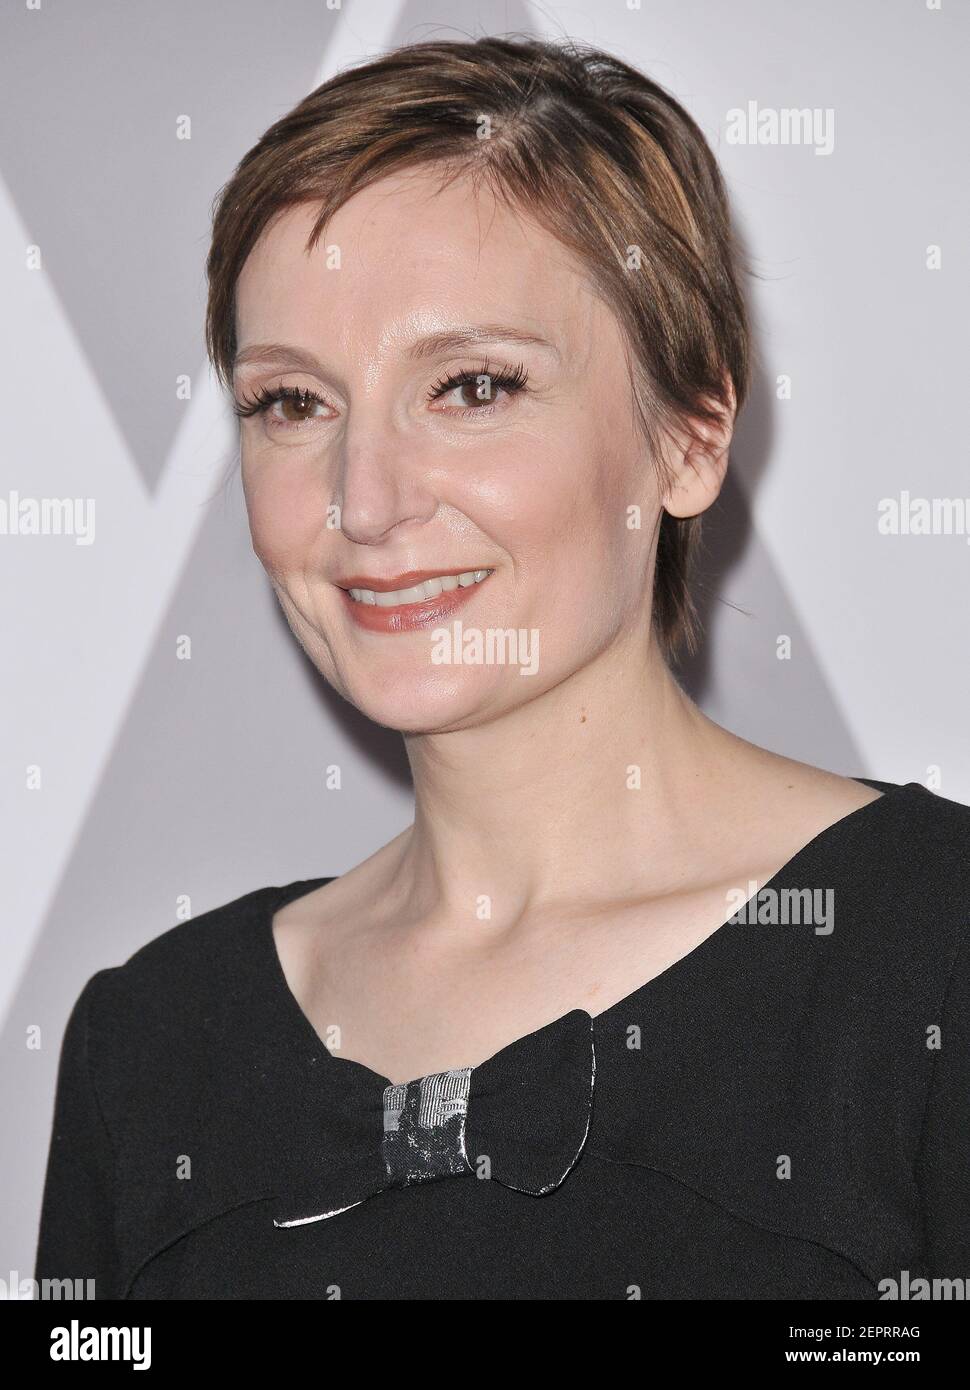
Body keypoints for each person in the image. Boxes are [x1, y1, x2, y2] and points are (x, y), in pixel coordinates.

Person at [35, 34, 970, 1301]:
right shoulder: (146, 1046)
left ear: (691, 436)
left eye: (471, 386)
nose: (363, 502)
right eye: (292, 404)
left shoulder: (931, 955)